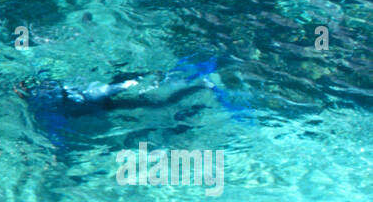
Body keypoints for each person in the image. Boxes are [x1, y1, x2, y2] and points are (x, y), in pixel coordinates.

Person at [17, 58, 250, 151]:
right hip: (93, 99)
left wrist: (58, 151)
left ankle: (199, 87)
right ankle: (200, 84)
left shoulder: (39, 108)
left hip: (90, 104)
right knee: (154, 102)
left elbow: (54, 132)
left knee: (154, 105)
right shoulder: (51, 88)